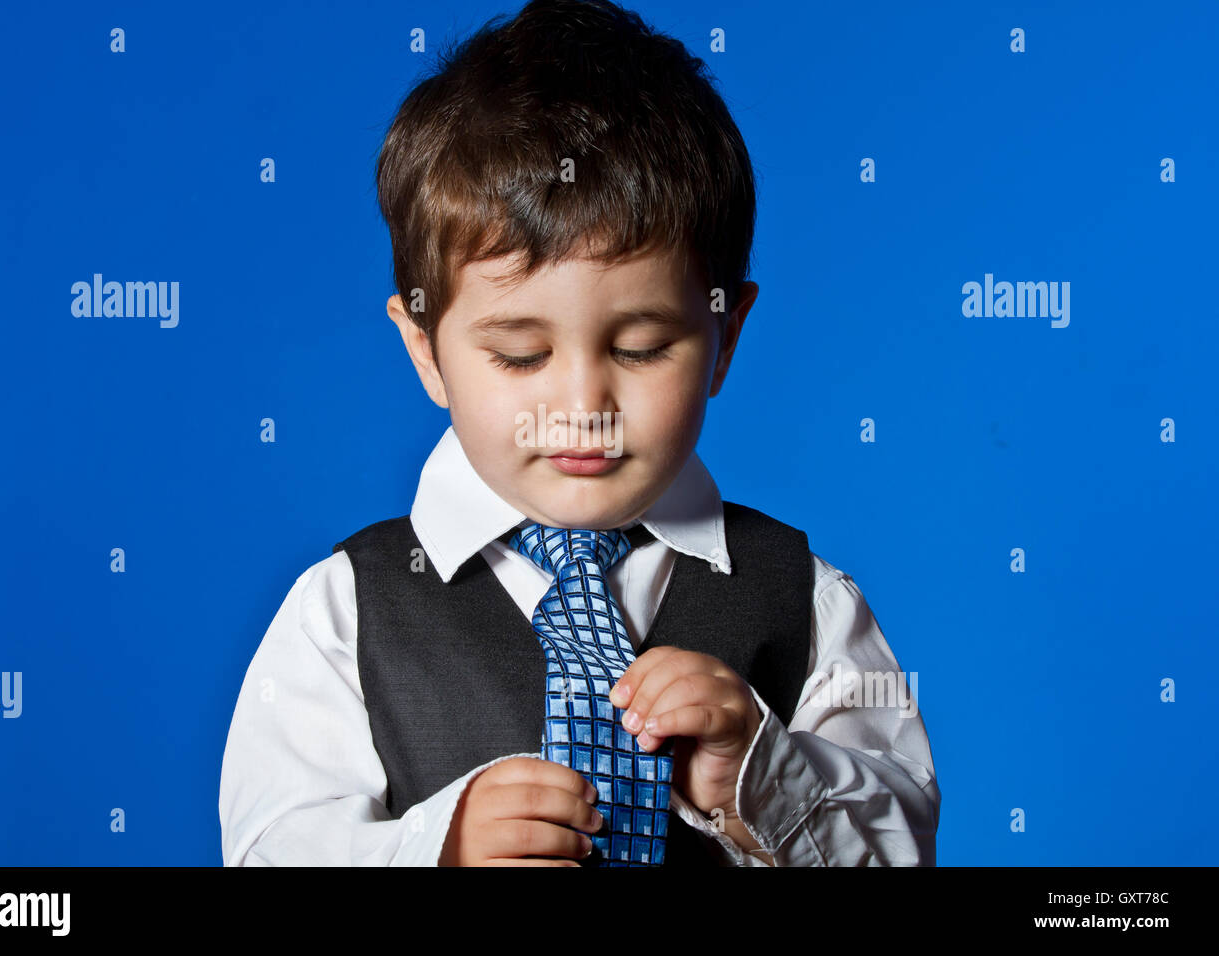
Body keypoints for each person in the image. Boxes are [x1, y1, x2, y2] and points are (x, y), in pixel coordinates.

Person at [219, 0, 939, 867]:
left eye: (640, 348)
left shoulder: (807, 603)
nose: (580, 404)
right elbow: (269, 850)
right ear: (427, 353)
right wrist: (432, 850)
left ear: (724, 340)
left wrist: (762, 775)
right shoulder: (344, 614)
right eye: (520, 355)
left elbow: (903, 853)